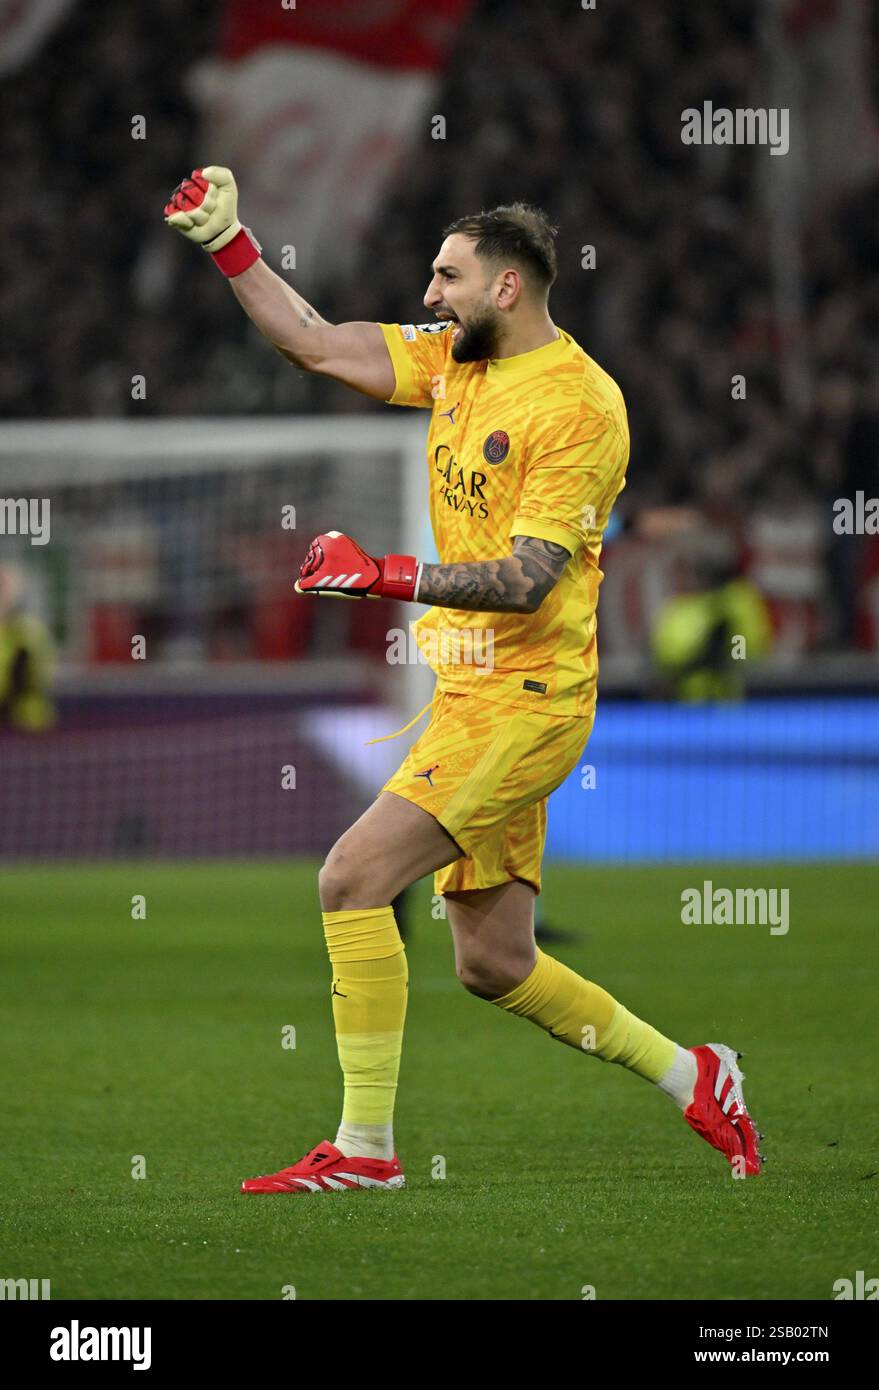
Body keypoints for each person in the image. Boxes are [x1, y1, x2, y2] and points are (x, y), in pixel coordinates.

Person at [165, 167, 764, 1192]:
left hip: (529, 701)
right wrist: (232, 244)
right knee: (493, 964)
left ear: (507, 289)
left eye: (447, 277)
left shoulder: (580, 407)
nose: (429, 293)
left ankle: (365, 1153)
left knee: (351, 878)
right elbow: (317, 341)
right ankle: (693, 1072)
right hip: (473, 693)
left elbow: (532, 581)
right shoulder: (455, 365)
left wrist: (385, 574)